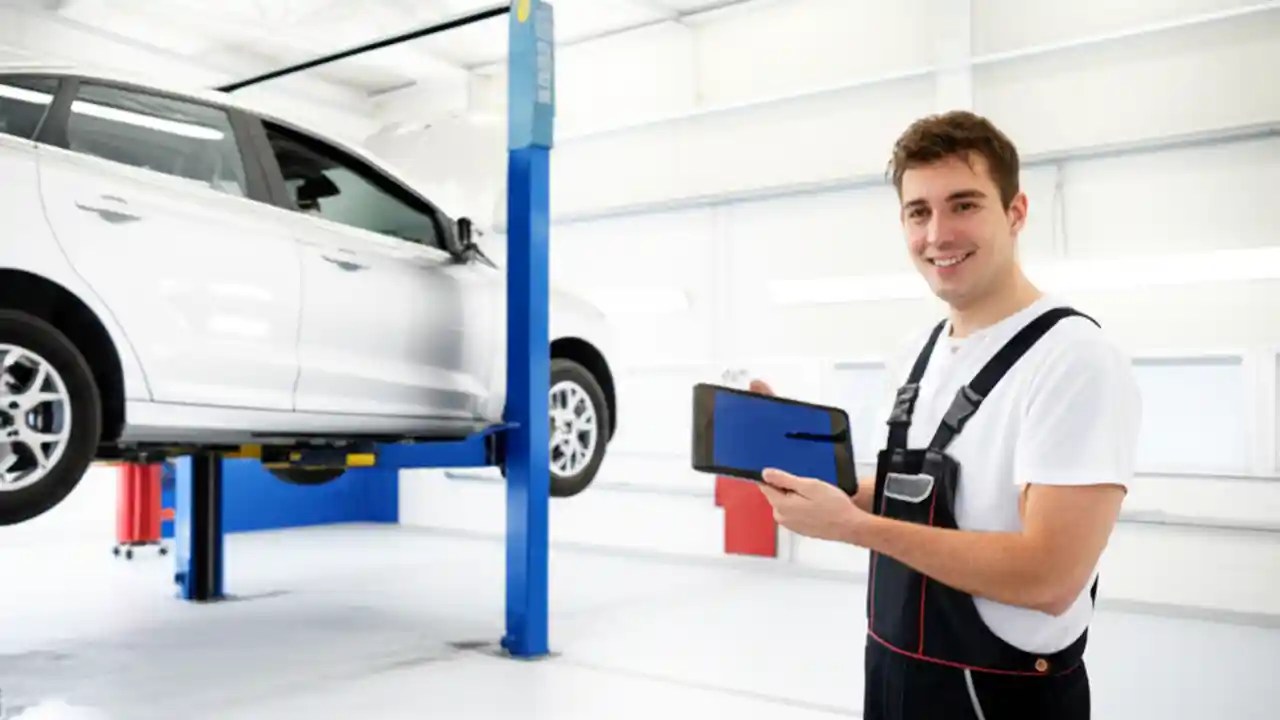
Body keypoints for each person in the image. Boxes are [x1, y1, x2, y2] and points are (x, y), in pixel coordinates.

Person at [750, 110, 1142, 720]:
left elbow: (1050, 577)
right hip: (891, 674)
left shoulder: (1074, 360)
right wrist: (807, 476)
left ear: (1016, 213)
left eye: (964, 205)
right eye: (918, 212)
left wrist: (853, 528)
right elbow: (915, 496)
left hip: (1004, 697)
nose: (937, 234)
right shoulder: (916, 353)